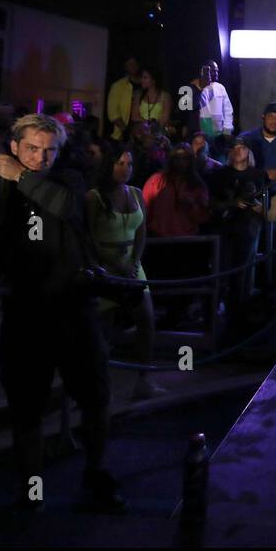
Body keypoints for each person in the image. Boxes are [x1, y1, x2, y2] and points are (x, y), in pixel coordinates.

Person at [0, 114, 126, 512]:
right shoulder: (0, 186)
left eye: (49, 150)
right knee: (26, 406)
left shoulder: (67, 179)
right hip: (25, 311)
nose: (41, 158)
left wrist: (20, 175)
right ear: (14, 145)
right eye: (33, 149)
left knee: (94, 396)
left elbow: (66, 206)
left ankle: (96, 473)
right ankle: (31, 486)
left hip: (73, 306)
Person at [85, 148, 164, 400]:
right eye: (120, 163)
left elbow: (141, 232)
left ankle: (143, 379)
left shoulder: (136, 193)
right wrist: (115, 264)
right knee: (103, 327)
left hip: (132, 265)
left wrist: (134, 261)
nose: (125, 168)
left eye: (129, 164)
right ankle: (95, 383)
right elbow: (87, 237)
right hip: (105, 266)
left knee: (147, 320)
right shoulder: (94, 197)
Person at [208, 137, 270, 342]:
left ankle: (239, 318)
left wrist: (255, 207)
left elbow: (265, 206)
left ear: (249, 152)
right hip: (225, 227)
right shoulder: (220, 174)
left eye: (242, 147)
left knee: (243, 273)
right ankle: (223, 319)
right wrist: (232, 203)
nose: (238, 151)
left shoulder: (257, 175)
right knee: (224, 271)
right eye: (234, 148)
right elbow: (213, 203)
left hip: (249, 227)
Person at [142, 145, 210, 238]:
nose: (181, 162)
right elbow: (144, 208)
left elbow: (204, 216)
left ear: (190, 161)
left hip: (187, 237)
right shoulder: (156, 180)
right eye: (177, 158)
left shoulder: (197, 184)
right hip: (158, 236)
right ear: (171, 160)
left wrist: (192, 205)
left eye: (185, 158)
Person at [197, 60, 235, 148]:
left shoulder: (220, 88)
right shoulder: (195, 88)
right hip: (201, 135)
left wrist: (227, 130)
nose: (216, 73)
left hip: (219, 136)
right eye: (213, 71)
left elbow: (228, 110)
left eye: (217, 71)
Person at [106, 57, 141, 141]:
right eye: (129, 64)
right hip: (124, 134)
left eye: (134, 64)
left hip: (143, 133)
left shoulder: (146, 84)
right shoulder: (118, 86)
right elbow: (113, 113)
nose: (132, 66)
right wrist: (126, 131)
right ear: (125, 67)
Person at [130, 66, 173, 132]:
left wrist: (153, 127)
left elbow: (165, 119)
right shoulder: (138, 95)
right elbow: (134, 116)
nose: (142, 80)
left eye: (145, 78)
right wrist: (148, 124)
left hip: (158, 131)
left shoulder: (165, 97)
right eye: (141, 77)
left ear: (153, 80)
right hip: (141, 130)